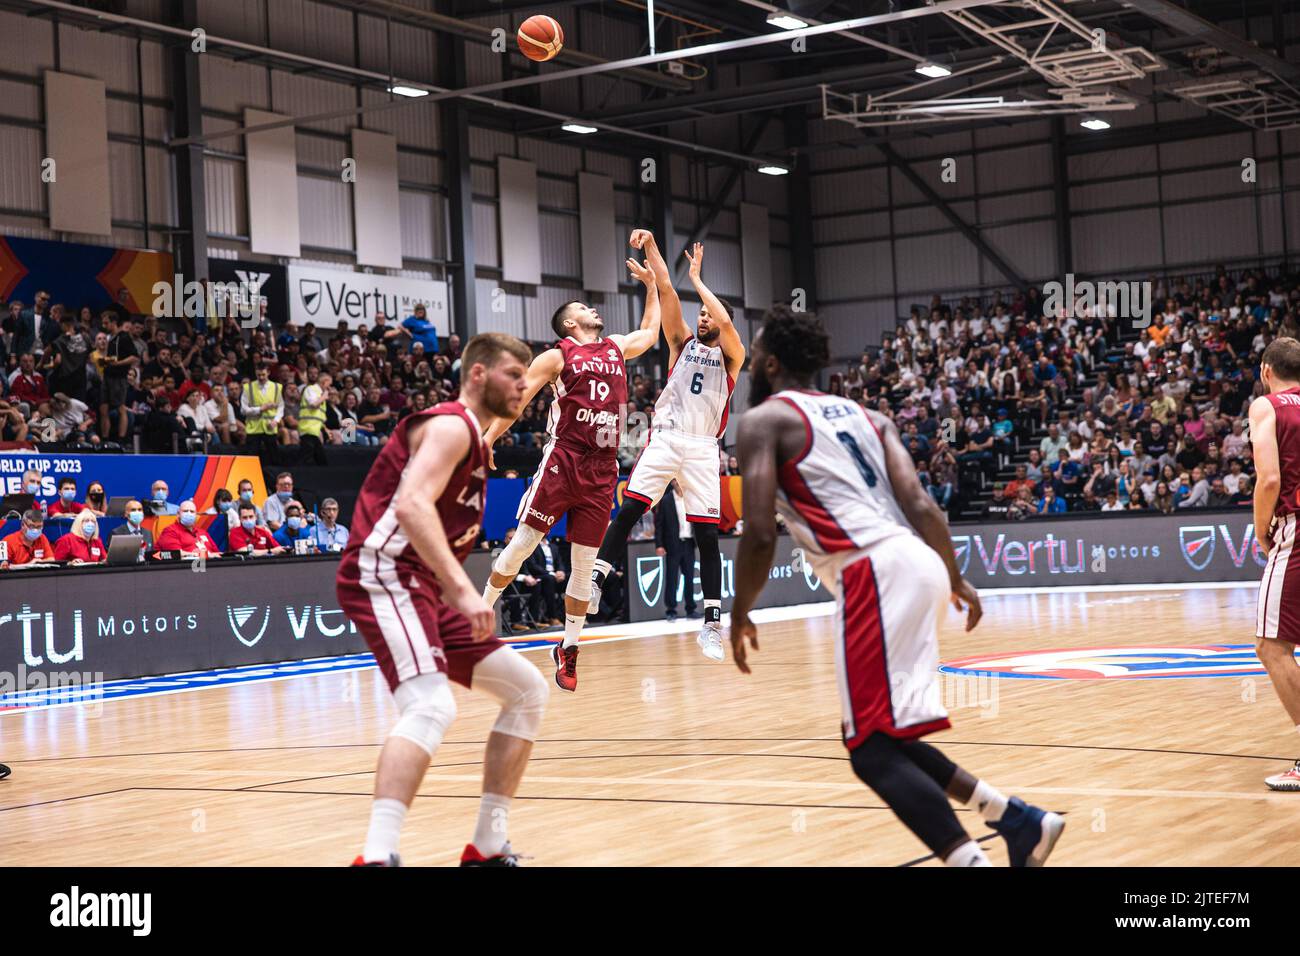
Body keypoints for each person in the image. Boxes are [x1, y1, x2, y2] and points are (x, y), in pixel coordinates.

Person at [728, 306, 1064, 867]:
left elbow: (760, 533)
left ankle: (969, 859)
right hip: (915, 562)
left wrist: (739, 610)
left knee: (868, 752)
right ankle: (1015, 819)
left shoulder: (764, 421)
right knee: (888, 734)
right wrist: (955, 577)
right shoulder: (870, 417)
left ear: (768, 362)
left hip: (872, 570)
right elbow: (920, 504)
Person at [336, 332, 550, 868]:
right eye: (512, 374)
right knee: (430, 705)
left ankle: (487, 843)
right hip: (386, 570)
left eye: (527, 376)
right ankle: (376, 856)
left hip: (422, 584)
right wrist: (461, 588)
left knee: (526, 691)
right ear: (478, 374)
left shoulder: (476, 437)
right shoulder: (453, 425)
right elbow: (410, 504)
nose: (523, 385)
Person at [479, 241, 663, 693]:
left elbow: (651, 334)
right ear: (569, 322)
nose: (592, 308)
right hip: (564, 461)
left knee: (584, 568)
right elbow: (517, 401)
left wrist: (653, 286)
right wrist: (487, 438)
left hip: (603, 471)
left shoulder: (616, 347)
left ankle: (569, 648)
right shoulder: (558, 354)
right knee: (522, 545)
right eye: (584, 306)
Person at [588, 236, 744, 662]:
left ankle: (711, 624)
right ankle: (596, 580)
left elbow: (729, 327)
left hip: (701, 448)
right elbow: (670, 293)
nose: (704, 317)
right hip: (668, 436)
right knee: (630, 510)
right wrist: (654, 249)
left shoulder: (734, 355)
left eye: (710, 313)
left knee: (708, 536)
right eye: (703, 313)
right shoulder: (682, 343)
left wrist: (699, 278)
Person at [1248, 337, 1300, 791]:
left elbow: (1268, 479)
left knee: (1271, 646)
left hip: (1297, 528)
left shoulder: (1267, 407)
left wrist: (1261, 530)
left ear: (1267, 370)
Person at [654, 480, 697, 622]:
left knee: (690, 577)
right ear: (673, 483)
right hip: (673, 544)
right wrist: (659, 544)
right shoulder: (666, 500)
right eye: (677, 482)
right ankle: (671, 610)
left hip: (689, 542)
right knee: (672, 578)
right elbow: (659, 524)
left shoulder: (690, 498)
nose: (680, 484)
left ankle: (691, 609)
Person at [241, 363, 283, 459]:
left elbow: (281, 407)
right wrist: (260, 409)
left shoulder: (276, 387)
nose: (261, 377)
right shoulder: (248, 388)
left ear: (268, 373)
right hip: (253, 428)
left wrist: (276, 420)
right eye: (258, 375)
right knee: (251, 457)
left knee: (273, 457)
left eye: (263, 374)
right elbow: (243, 410)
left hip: (270, 427)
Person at [154, 500, 219, 558]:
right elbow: (175, 554)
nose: (189, 513)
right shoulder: (170, 531)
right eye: (185, 511)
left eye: (192, 511)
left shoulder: (203, 532)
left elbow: (217, 553)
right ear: (178, 514)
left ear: (196, 515)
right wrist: (199, 554)